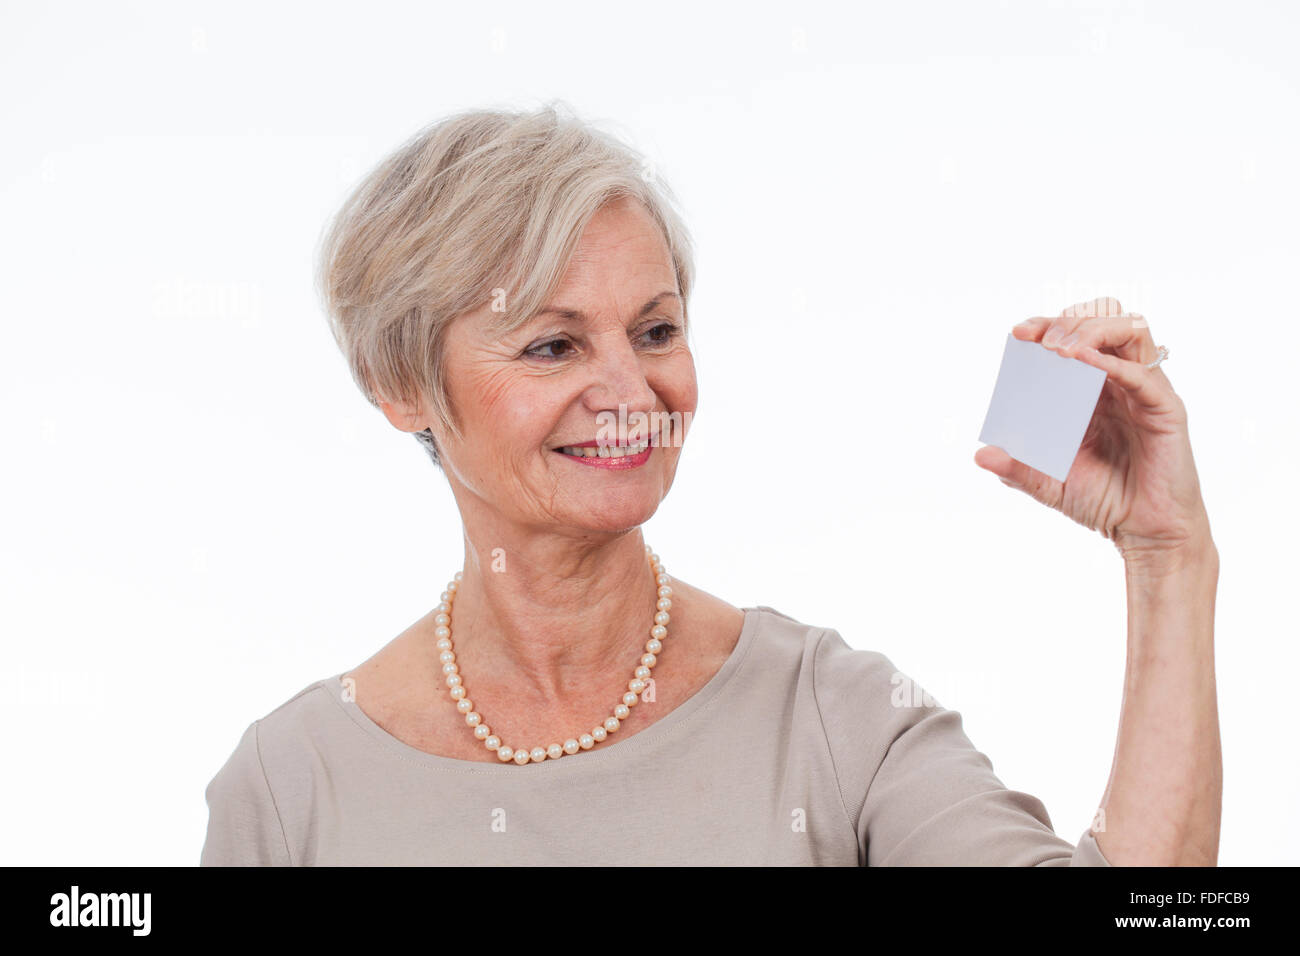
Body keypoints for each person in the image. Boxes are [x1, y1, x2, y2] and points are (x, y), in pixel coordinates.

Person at [200, 102, 1220, 866]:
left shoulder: (831, 714)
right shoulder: (295, 788)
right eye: (553, 344)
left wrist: (1166, 555)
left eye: (655, 330)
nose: (630, 388)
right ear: (398, 385)